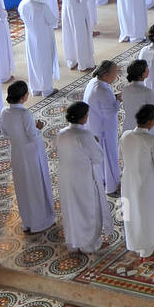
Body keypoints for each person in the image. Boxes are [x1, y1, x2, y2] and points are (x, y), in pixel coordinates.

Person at [56, 101, 111, 255]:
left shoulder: (61, 134)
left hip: (66, 178)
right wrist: (95, 142)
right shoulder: (85, 135)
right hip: (83, 179)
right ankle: (89, 244)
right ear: (83, 118)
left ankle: (74, 242)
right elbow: (98, 157)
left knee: (72, 210)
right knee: (87, 210)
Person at [0, 82, 55, 233]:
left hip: (17, 153)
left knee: (23, 187)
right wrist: (38, 128)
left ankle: (28, 221)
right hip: (31, 154)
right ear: (24, 97)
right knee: (35, 184)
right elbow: (32, 136)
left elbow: (4, 132)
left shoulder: (5, 112)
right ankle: (41, 221)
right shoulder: (25, 114)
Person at [120, 103, 154, 259]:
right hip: (145, 181)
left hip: (127, 180)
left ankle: (133, 243)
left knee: (131, 212)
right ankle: (147, 248)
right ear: (151, 122)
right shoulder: (151, 139)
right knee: (146, 213)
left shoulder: (125, 135)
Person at [82, 60, 122, 194]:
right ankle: (112, 183)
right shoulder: (102, 90)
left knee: (102, 156)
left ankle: (103, 178)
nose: (116, 76)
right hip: (103, 129)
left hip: (94, 125)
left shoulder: (93, 82)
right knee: (108, 154)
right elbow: (110, 112)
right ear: (105, 75)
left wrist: (114, 98)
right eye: (114, 73)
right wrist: (118, 100)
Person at [17, 0, 59, 97]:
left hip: (31, 37)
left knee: (33, 62)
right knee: (45, 62)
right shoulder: (42, 6)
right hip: (43, 37)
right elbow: (53, 20)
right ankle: (46, 89)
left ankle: (35, 88)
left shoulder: (22, 4)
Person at [57, 0, 94, 71]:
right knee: (81, 36)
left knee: (69, 35)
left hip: (66, 11)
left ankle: (72, 61)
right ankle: (84, 63)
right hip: (78, 11)